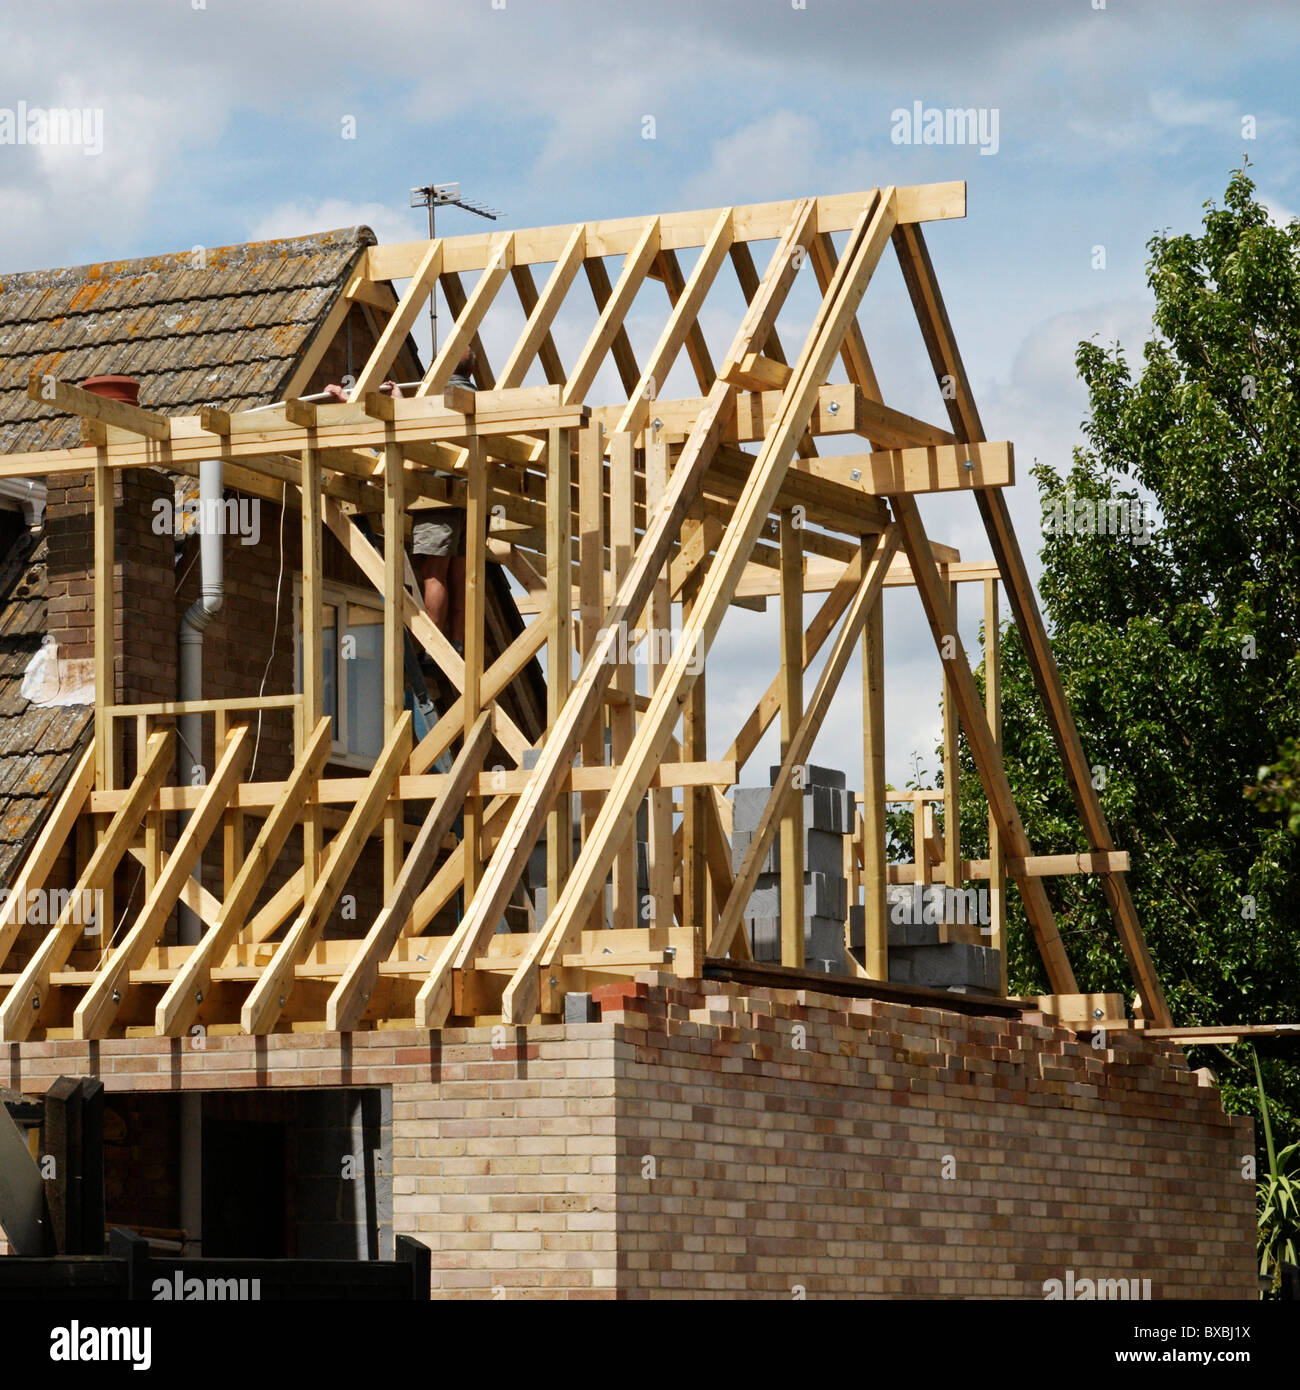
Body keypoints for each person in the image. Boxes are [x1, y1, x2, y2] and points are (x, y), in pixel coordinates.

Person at [320, 349, 477, 652]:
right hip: (473, 495)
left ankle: (431, 648)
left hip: (439, 494)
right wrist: (404, 405)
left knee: (434, 573)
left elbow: (404, 434)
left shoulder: (438, 396)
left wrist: (348, 404)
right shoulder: (477, 398)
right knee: (463, 576)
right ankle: (456, 643)